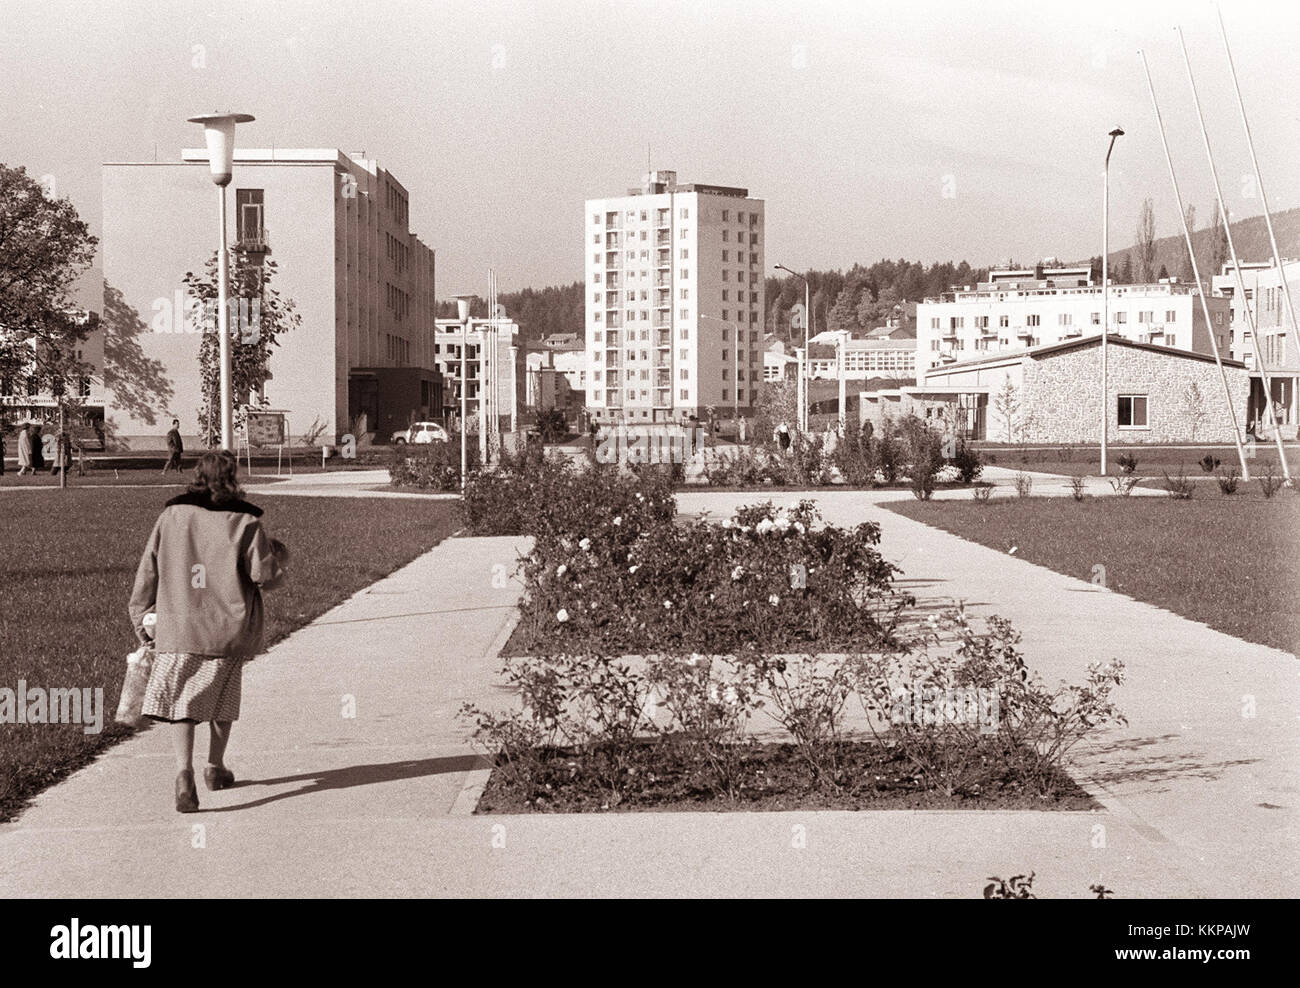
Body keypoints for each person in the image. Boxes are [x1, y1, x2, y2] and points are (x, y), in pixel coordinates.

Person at [129, 449, 288, 813]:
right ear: (233, 477)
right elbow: (264, 576)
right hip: (225, 629)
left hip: (179, 625)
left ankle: (183, 772)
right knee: (222, 700)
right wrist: (280, 561)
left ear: (198, 475)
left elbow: (148, 570)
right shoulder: (245, 521)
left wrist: (141, 616)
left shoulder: (172, 515)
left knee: (182, 702)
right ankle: (215, 767)